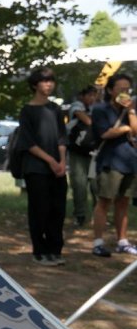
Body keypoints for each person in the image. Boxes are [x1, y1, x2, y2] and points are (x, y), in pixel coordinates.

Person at [14, 67, 69, 265]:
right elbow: (28, 143)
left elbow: (62, 138)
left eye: (51, 80)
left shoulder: (56, 109)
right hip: (36, 168)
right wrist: (51, 161)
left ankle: (55, 249)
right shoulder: (27, 111)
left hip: (58, 169)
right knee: (39, 210)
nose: (49, 84)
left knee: (58, 210)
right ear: (35, 84)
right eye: (45, 80)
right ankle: (40, 251)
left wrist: (61, 161)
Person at [90, 72, 137, 257]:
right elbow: (105, 134)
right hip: (110, 160)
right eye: (120, 88)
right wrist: (124, 128)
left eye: (127, 89)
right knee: (104, 201)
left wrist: (131, 111)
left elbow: (135, 131)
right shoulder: (101, 109)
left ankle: (122, 241)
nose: (124, 92)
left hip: (130, 160)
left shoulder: (130, 109)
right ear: (110, 90)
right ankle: (98, 242)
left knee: (123, 201)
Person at [66, 84, 100, 227]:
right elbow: (87, 121)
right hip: (77, 153)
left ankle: (99, 216)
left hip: (94, 153)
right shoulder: (77, 106)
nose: (92, 98)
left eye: (94, 95)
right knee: (79, 185)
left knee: (96, 186)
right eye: (89, 95)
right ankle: (80, 215)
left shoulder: (98, 108)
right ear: (82, 96)